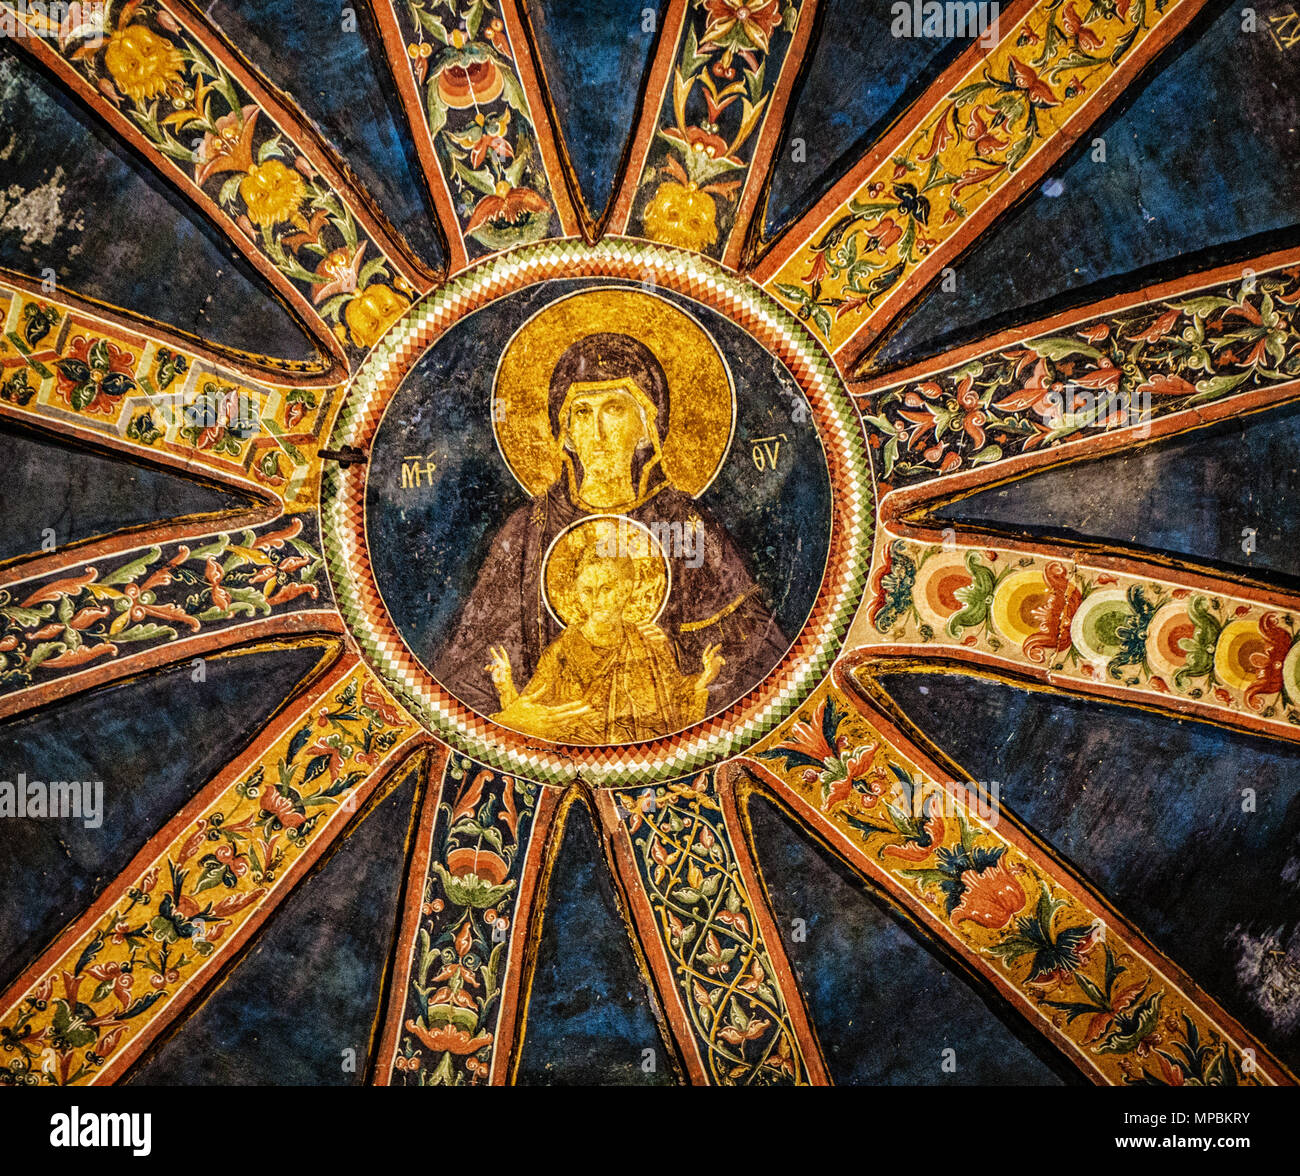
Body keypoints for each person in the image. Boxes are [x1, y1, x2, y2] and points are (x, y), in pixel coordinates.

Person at [432, 331, 787, 733]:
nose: (597, 433)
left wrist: (691, 684)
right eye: (582, 413)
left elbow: (761, 661)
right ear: (564, 432)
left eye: (615, 409)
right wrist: (511, 721)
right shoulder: (528, 530)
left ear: (646, 425)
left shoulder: (686, 527)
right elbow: (462, 678)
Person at [485, 544, 724, 744]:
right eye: (587, 591)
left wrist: (704, 678)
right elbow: (531, 716)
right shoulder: (562, 650)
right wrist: (506, 688)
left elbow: (674, 703)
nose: (596, 600)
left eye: (606, 589)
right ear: (576, 593)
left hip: (638, 763)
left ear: (627, 589)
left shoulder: (650, 644)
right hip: (577, 761)